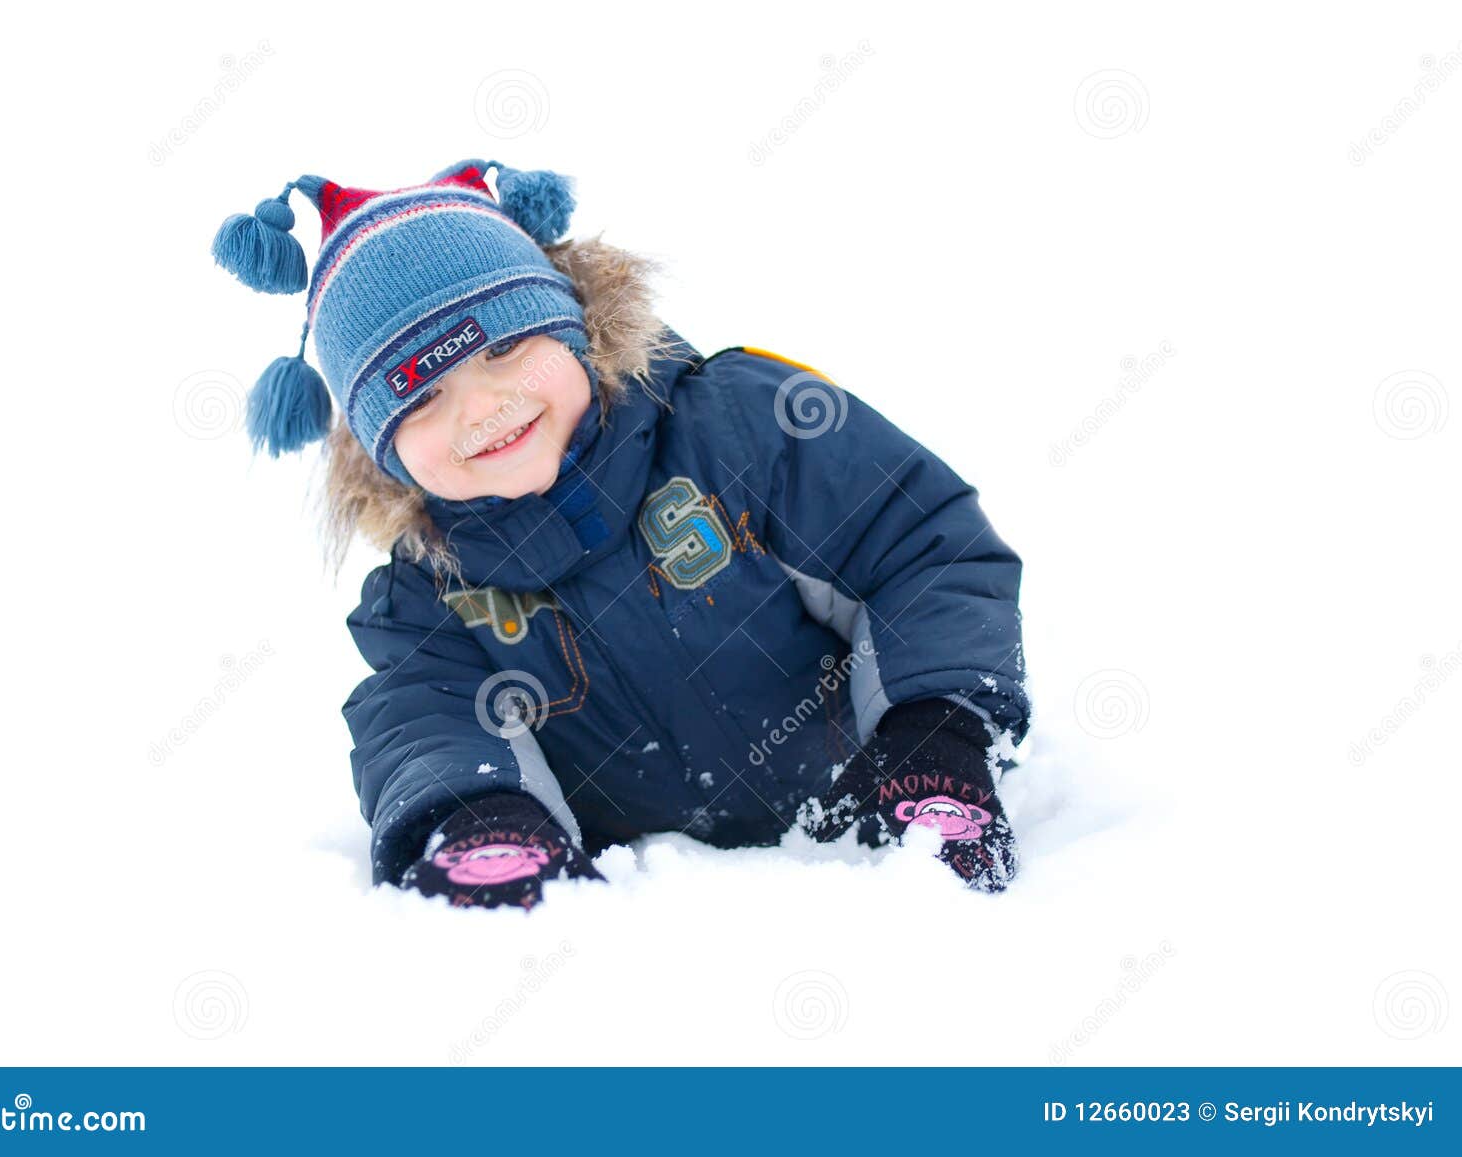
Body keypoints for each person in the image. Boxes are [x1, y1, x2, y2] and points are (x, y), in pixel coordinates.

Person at [210, 158, 1032, 911]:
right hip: (657, 915)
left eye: (505, 347)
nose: (483, 407)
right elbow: (424, 720)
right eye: (421, 396)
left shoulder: (742, 428)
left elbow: (918, 547)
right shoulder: (426, 597)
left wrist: (935, 729)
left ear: (573, 328)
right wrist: (481, 814)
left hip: (871, 810)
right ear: (382, 447)